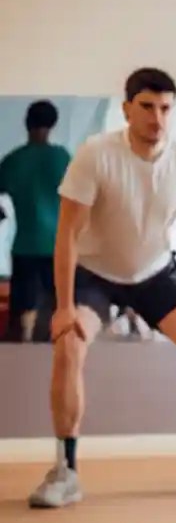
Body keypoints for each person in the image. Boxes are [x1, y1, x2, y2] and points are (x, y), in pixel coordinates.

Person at [27, 68, 176, 509]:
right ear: (127, 108)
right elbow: (67, 232)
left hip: (154, 273)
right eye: (146, 106)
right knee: (68, 345)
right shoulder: (95, 154)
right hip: (94, 273)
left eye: (165, 108)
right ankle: (64, 471)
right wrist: (64, 306)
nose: (156, 117)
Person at [0, 100, 71, 342]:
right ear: (52, 124)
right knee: (56, 309)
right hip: (58, 246)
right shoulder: (62, 159)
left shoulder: (12, 161)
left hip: (24, 246)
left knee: (20, 313)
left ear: (26, 123)